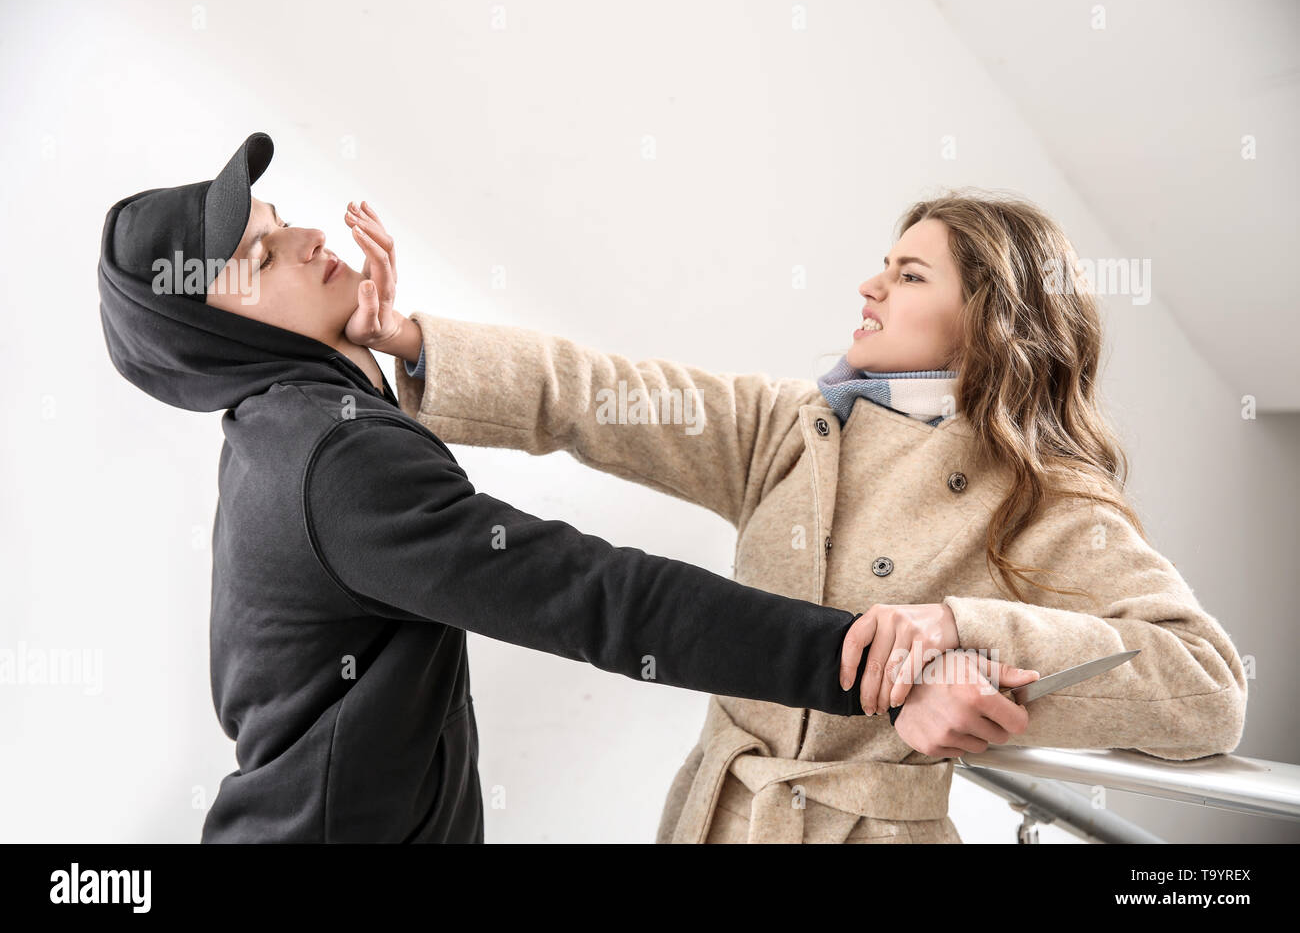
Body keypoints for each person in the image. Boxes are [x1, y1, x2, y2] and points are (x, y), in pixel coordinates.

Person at [98, 132, 1042, 843]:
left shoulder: (289, 430)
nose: (304, 239)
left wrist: (380, 350)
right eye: (260, 259)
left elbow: (589, 406)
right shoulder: (331, 458)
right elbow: (598, 598)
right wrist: (873, 665)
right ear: (217, 336)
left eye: (278, 220)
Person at [362, 190, 1250, 844]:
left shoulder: (1044, 495)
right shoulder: (792, 431)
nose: (870, 285)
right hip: (714, 820)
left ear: (988, 319)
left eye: (906, 274)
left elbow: (1206, 687)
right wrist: (413, 339)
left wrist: (961, 634)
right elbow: (607, 394)